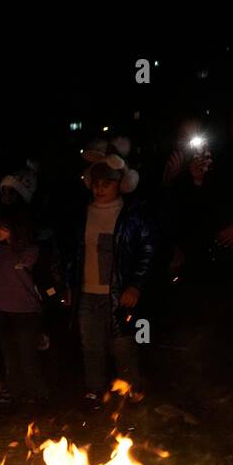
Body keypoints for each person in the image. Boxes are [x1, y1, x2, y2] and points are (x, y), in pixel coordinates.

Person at [68, 141, 155, 402]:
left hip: (117, 293)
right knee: (91, 345)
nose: (100, 188)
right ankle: (95, 390)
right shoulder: (82, 214)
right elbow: (73, 253)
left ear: (121, 184)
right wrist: (70, 286)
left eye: (107, 183)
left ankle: (131, 390)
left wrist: (135, 285)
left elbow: (147, 251)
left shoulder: (132, 215)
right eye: (96, 183)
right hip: (87, 293)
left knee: (122, 344)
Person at [0, 206, 47, 405]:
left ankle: (36, 392)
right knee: (10, 356)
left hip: (26, 312)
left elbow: (41, 280)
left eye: (0, 226)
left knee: (27, 356)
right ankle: (14, 390)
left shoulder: (31, 252)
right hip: (3, 311)